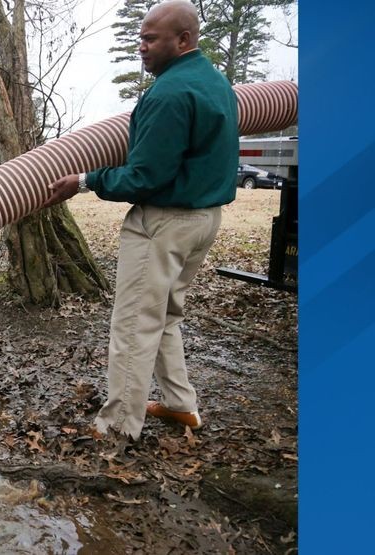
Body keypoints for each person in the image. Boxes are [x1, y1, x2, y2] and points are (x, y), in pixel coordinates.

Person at [43, 0, 238, 440]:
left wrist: (85, 180)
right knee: (165, 316)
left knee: (134, 324)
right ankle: (179, 406)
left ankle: (117, 428)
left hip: (163, 224)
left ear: (183, 39)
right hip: (204, 220)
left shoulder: (169, 94)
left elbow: (144, 176)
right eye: (140, 38)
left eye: (151, 39)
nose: (141, 47)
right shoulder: (214, 82)